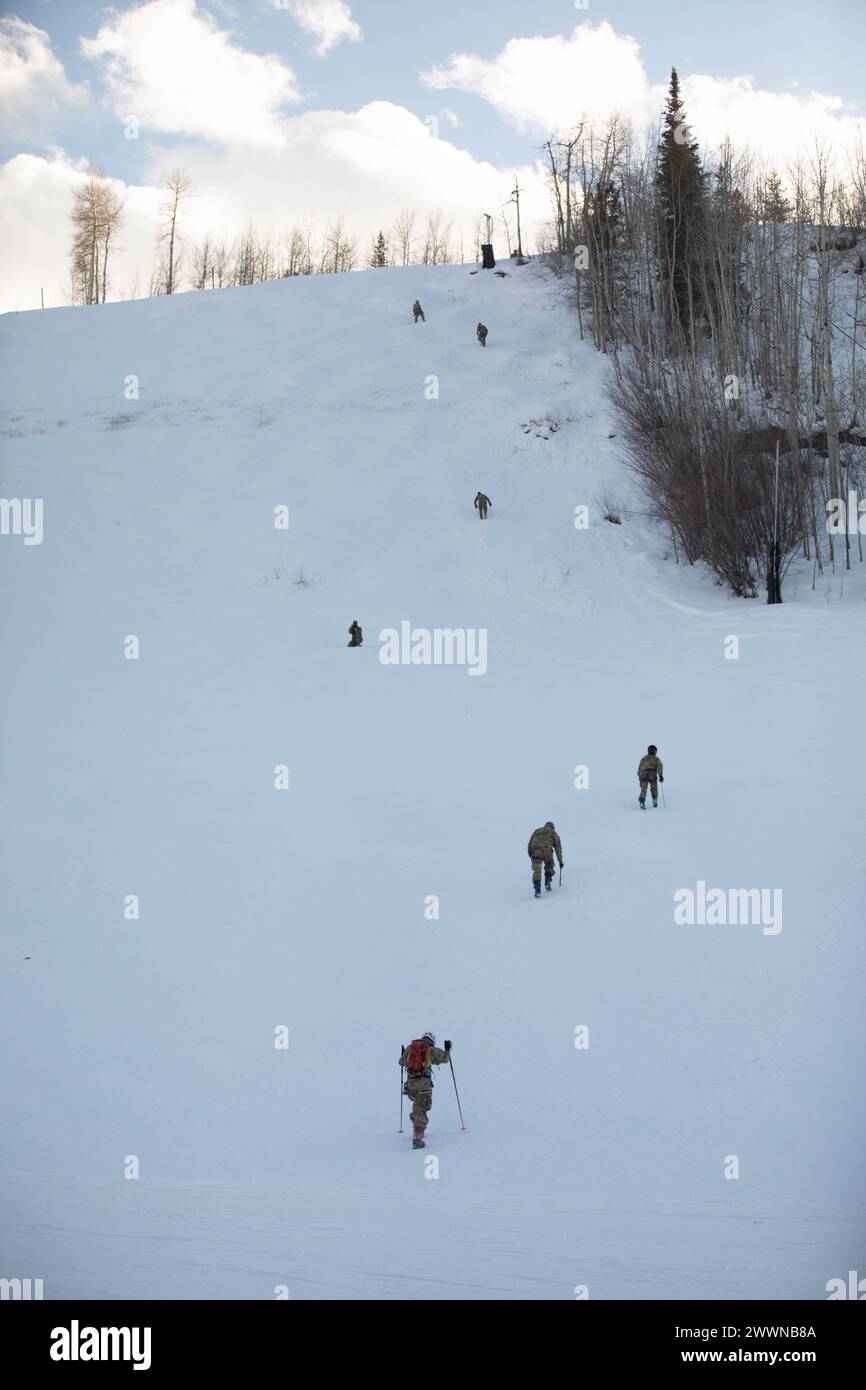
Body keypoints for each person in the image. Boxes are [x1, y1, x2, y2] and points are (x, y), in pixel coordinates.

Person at [399, 1033, 452, 1148]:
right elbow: (444, 1059)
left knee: (417, 1107)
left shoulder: (410, 1047)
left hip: (410, 1085)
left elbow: (401, 1062)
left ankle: (418, 1129)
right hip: (424, 1084)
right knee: (422, 1108)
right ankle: (417, 1137)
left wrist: (404, 1054)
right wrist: (447, 1049)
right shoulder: (430, 1049)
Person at [527, 821, 563, 898]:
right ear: (552, 827)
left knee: (537, 869)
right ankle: (547, 881)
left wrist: (531, 855)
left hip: (535, 850)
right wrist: (560, 861)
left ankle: (537, 888)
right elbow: (558, 848)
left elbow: (529, 844)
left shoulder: (537, 831)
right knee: (549, 864)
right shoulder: (553, 832)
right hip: (547, 850)